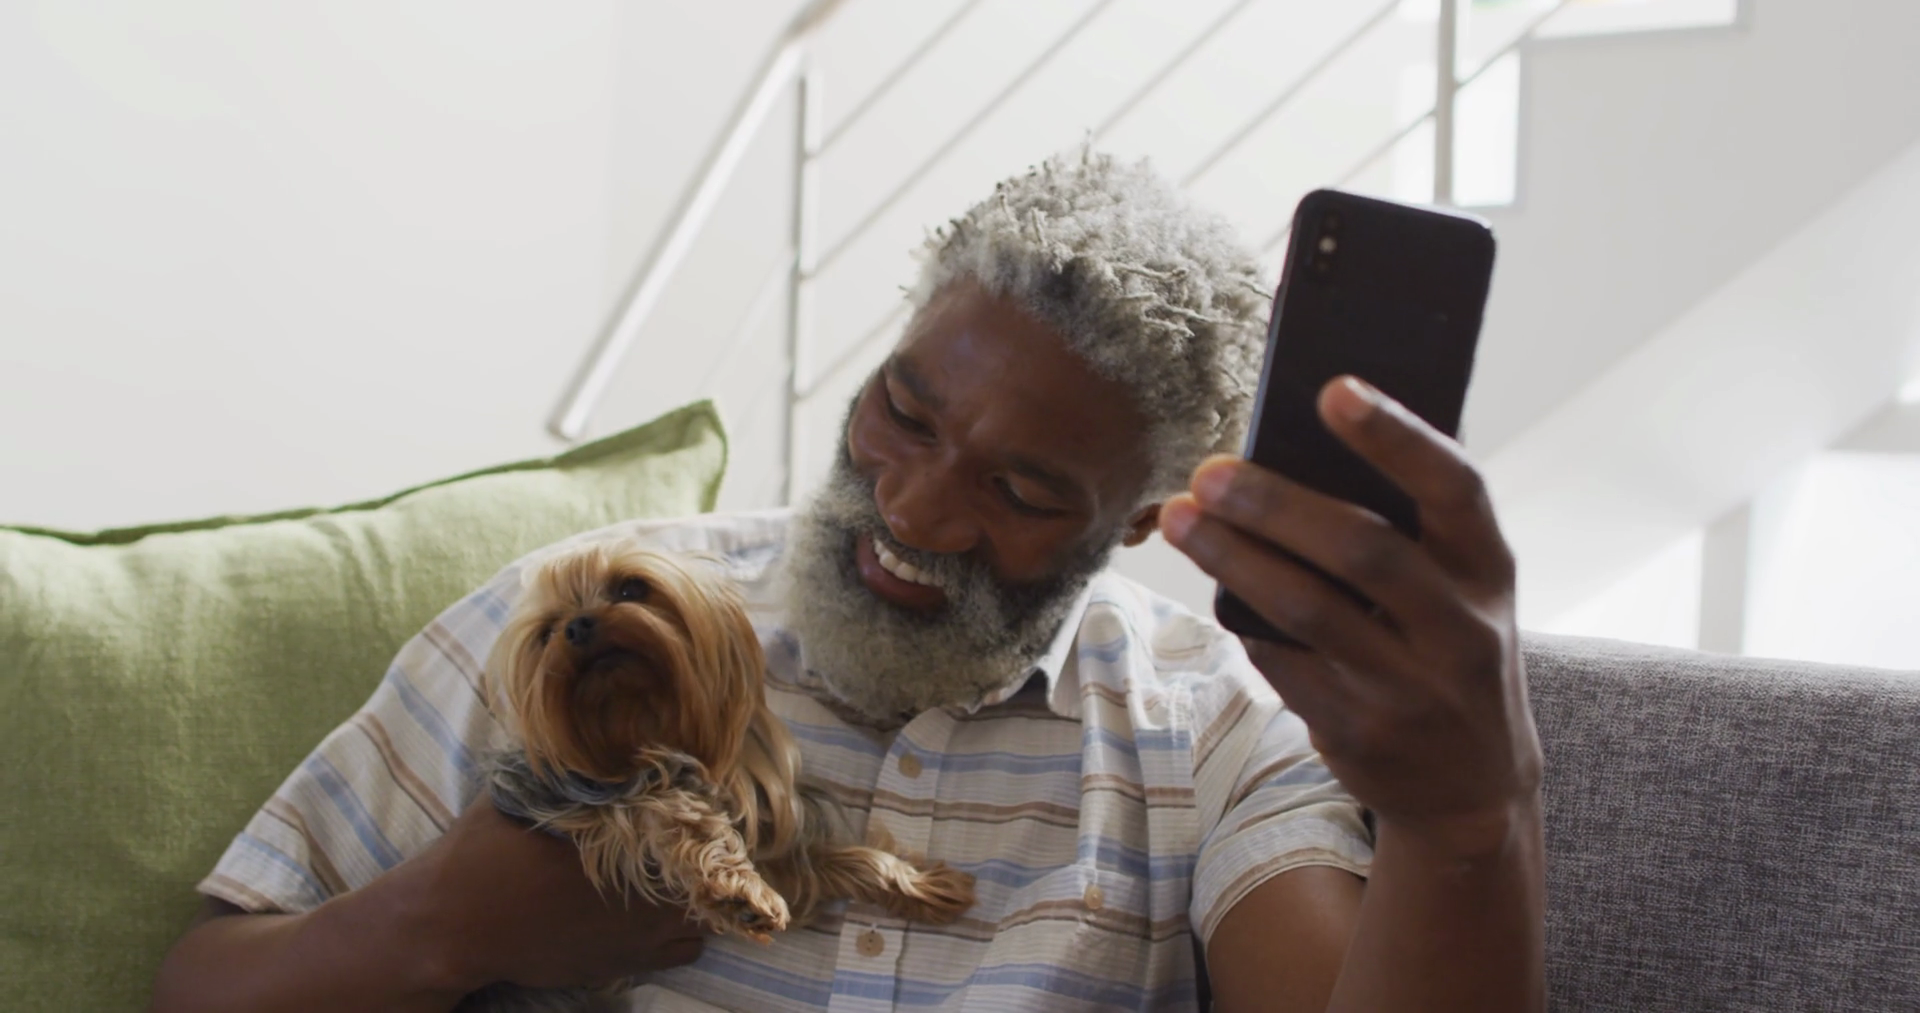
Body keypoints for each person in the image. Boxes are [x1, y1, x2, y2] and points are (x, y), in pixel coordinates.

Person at [150, 150, 1544, 1013]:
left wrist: (1460, 825)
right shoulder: (589, 618)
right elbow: (200, 990)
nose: (912, 508)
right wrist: (438, 927)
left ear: (1139, 522)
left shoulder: (1212, 738)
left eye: (1020, 491)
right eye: (906, 410)